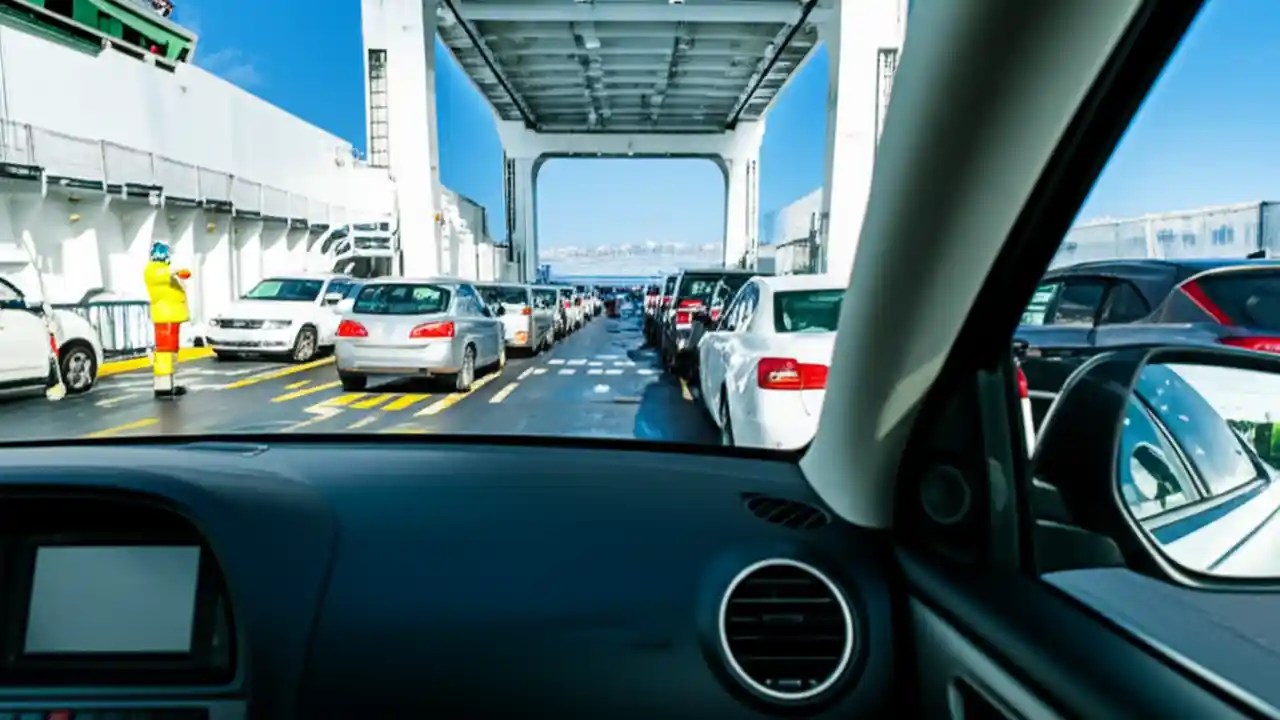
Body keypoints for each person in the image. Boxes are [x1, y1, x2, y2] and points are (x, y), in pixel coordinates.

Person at [143, 241, 191, 399]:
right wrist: (178, 270)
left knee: (171, 351)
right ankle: (163, 385)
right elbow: (168, 273)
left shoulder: (159, 270)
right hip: (165, 316)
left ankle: (169, 383)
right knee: (165, 351)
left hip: (170, 316)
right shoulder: (154, 270)